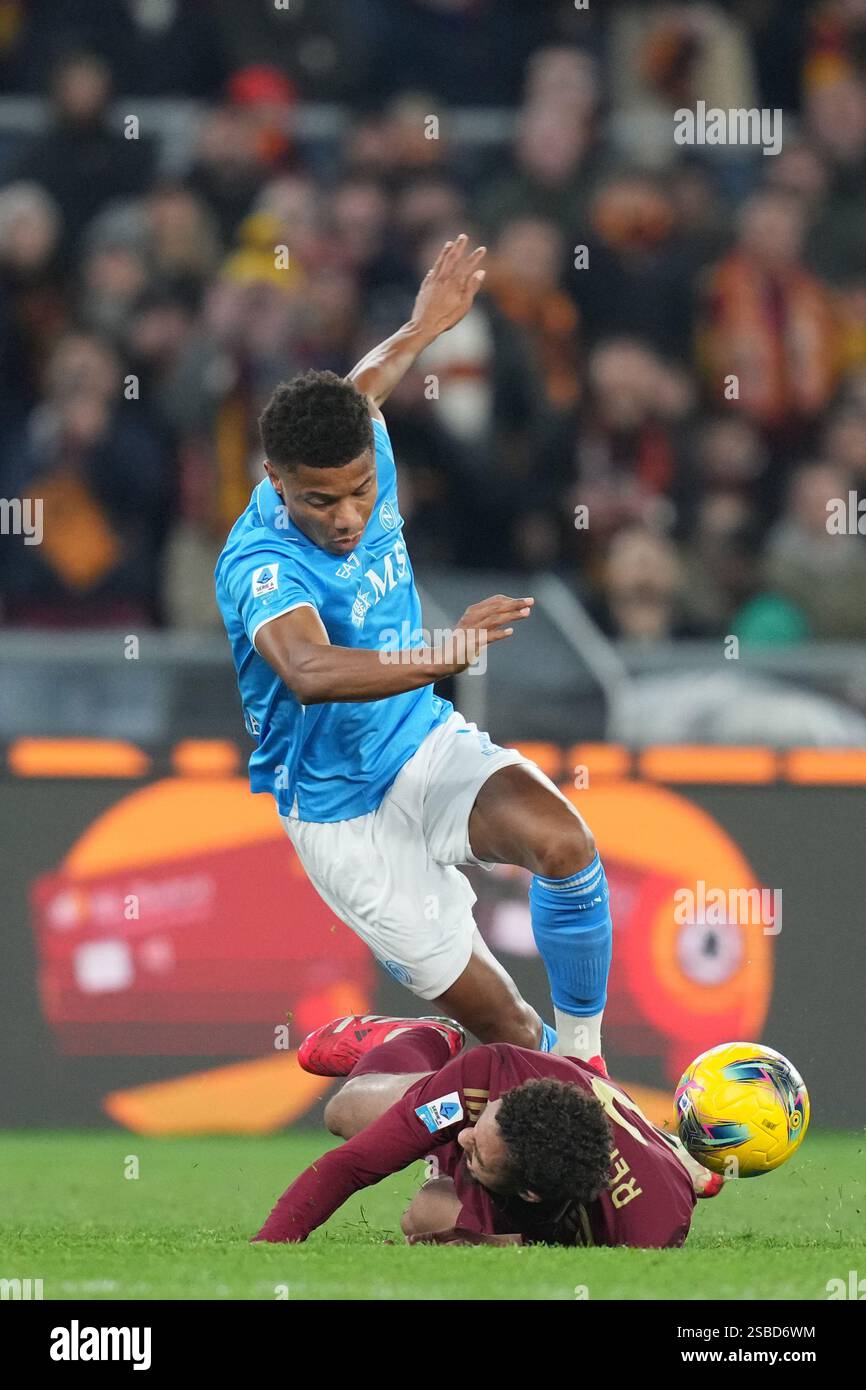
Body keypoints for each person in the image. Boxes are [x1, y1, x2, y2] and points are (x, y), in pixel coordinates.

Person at [215, 234, 615, 1062]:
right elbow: (309, 671)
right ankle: (424, 1051)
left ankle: (587, 1065)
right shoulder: (260, 564)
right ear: (275, 478)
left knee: (567, 848)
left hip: (421, 745)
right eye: (320, 500)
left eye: (360, 491)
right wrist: (447, 653)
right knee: (504, 1032)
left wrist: (423, 325)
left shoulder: (367, 432)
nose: (348, 516)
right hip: (344, 818)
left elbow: (367, 381)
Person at [252, 1017, 717, 1248]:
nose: (462, 1139)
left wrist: (495, 1242)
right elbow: (352, 1164)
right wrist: (267, 1247)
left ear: (531, 1193)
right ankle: (418, 1036)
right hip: (468, 1095)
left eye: (477, 1154)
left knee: (429, 1214)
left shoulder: (650, 1226)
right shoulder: (488, 1082)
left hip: (552, 1168)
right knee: (346, 1113)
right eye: (477, 1133)